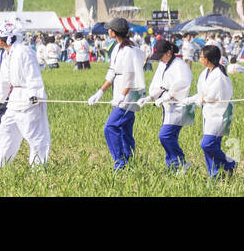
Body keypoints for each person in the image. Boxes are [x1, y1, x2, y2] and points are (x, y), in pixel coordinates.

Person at [86, 17, 145, 169]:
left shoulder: (129, 51)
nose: (108, 31)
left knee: (110, 127)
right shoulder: (117, 49)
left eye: (109, 29)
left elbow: (130, 75)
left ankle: (120, 161)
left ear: (114, 31)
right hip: (119, 90)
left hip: (127, 94)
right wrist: (100, 92)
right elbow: (112, 73)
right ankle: (129, 160)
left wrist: (123, 95)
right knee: (125, 129)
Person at [0, 22, 50, 167]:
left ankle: (38, 167)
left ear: (8, 38)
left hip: (29, 98)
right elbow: (5, 78)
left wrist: (35, 94)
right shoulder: (7, 54)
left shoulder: (24, 51)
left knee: (35, 135)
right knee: (6, 130)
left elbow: (33, 73)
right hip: (14, 99)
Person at [145, 38, 193, 170]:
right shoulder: (165, 64)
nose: (160, 59)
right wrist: (150, 96)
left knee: (165, 136)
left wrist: (167, 96)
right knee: (170, 137)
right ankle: (172, 166)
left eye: (161, 56)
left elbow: (183, 83)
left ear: (168, 53)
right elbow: (162, 85)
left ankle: (181, 163)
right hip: (169, 106)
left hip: (179, 106)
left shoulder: (179, 65)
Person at [188, 45, 235, 177]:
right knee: (211, 146)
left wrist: (201, 99)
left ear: (208, 59)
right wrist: (192, 99)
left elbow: (212, 96)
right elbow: (201, 92)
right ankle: (214, 175)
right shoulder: (205, 73)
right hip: (208, 113)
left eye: (201, 56)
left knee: (207, 144)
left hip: (219, 114)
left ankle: (229, 164)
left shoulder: (219, 75)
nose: (200, 59)